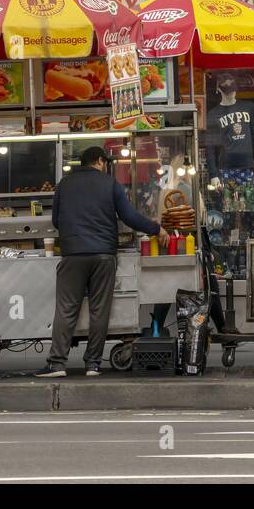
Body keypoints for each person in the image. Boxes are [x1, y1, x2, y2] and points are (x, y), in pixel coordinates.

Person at [36, 146, 167, 377]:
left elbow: (56, 220)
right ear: (98, 161)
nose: (106, 166)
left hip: (73, 253)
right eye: (105, 162)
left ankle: (57, 364)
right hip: (104, 255)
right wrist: (156, 229)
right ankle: (93, 364)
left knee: (66, 309)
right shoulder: (110, 185)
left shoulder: (64, 185)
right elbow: (130, 217)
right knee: (99, 310)